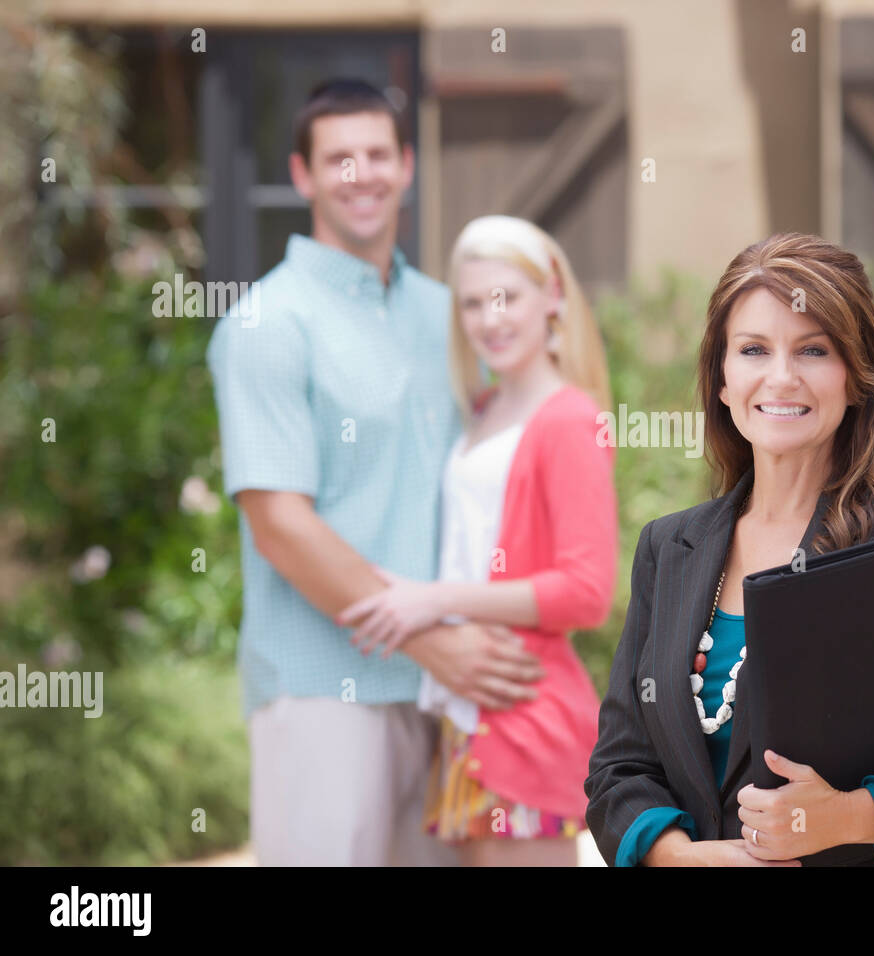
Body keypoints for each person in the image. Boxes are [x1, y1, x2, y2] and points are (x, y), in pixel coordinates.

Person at [585, 232, 874, 866]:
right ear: (722, 378)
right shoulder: (669, 548)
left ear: (856, 377)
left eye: (813, 350)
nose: (781, 377)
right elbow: (619, 766)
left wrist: (849, 816)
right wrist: (684, 858)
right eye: (752, 350)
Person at [206, 81, 542, 866]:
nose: (361, 174)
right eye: (339, 158)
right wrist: (430, 642)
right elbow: (281, 527)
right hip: (325, 689)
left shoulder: (446, 316)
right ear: (302, 174)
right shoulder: (267, 324)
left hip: (443, 692)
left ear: (407, 165)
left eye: (377, 154)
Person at [337, 214, 618, 866]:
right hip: (469, 713)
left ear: (551, 293)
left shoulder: (571, 419)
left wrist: (434, 601)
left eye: (505, 298)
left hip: (522, 708)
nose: (489, 320)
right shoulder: (486, 411)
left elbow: (587, 591)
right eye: (471, 303)